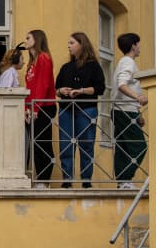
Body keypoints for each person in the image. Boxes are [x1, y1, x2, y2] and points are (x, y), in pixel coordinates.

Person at [55, 32, 106, 188]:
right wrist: (61, 91)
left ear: (81, 44)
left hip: (86, 109)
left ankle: (86, 181)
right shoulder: (66, 67)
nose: (68, 46)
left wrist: (81, 91)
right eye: (69, 43)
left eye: (72, 43)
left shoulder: (93, 66)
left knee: (86, 145)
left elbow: (100, 88)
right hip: (66, 110)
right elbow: (56, 89)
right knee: (65, 145)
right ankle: (67, 180)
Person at [112, 33, 149, 189]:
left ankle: (122, 181)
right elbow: (122, 84)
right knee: (139, 146)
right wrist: (138, 97)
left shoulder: (122, 62)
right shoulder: (128, 62)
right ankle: (125, 179)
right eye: (138, 44)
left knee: (123, 146)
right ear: (133, 45)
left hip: (119, 109)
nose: (139, 47)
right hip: (125, 110)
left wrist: (138, 112)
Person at [24, 29, 56, 189]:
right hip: (34, 107)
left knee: (43, 143)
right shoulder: (32, 61)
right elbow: (30, 87)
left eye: (28, 38)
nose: (25, 40)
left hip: (44, 107)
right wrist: (26, 108)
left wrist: (35, 107)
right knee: (35, 144)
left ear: (37, 39)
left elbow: (43, 84)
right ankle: (40, 179)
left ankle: (44, 180)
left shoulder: (44, 58)